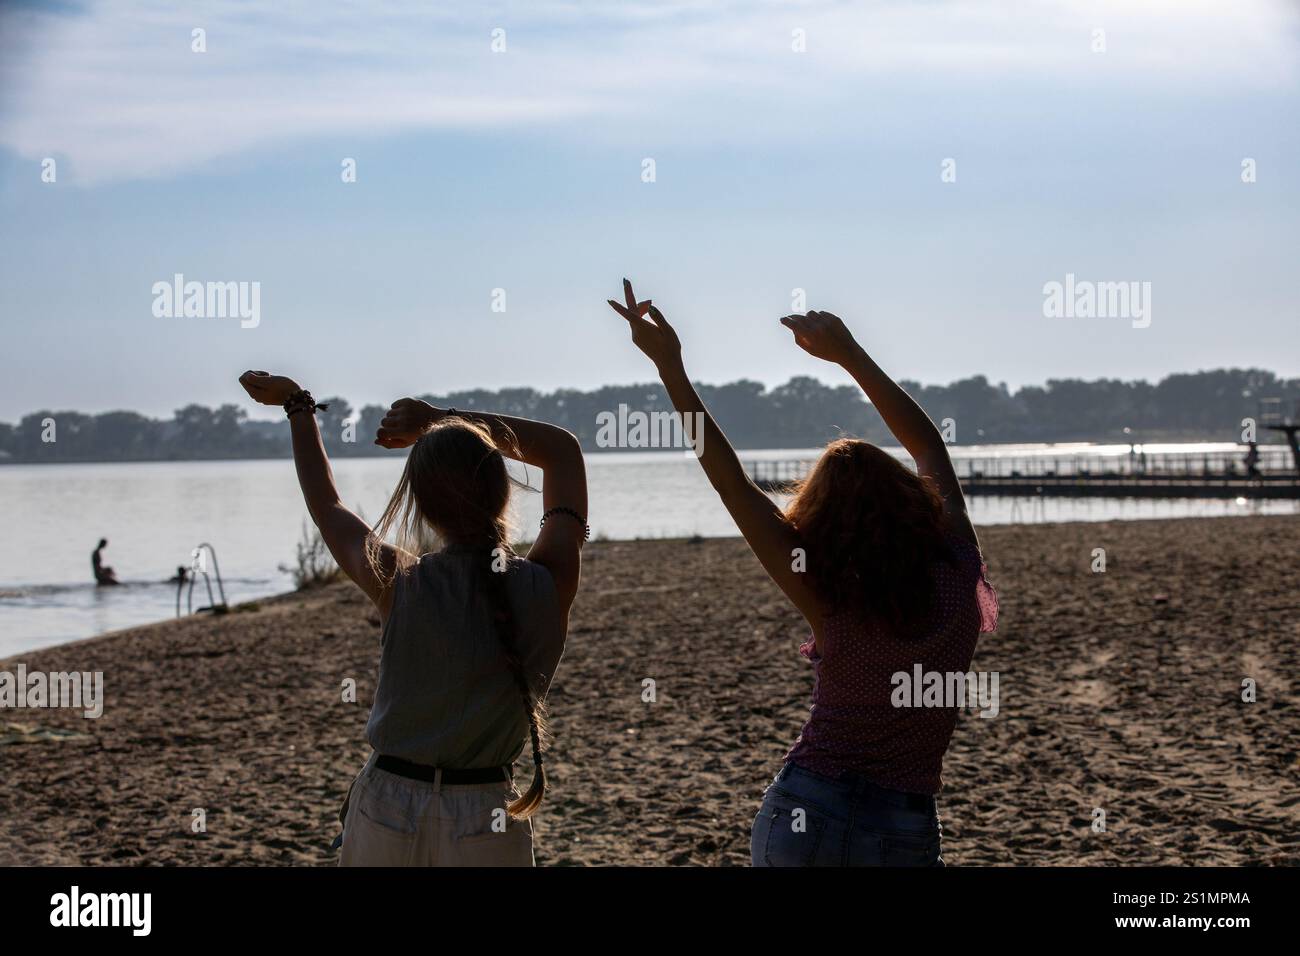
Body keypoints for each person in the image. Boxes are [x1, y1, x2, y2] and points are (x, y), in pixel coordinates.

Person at [607, 281, 998, 866]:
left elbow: (730, 482)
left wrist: (670, 366)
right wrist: (848, 353)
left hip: (805, 808)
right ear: (908, 500)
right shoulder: (959, 568)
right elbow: (927, 447)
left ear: (823, 516)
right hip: (901, 821)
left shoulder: (825, 587)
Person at [238, 370, 587, 866]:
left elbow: (327, 504)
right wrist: (438, 420)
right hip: (488, 812)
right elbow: (563, 451)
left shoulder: (400, 581)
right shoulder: (550, 581)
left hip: (389, 805)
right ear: (503, 493)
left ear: (420, 504)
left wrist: (299, 406)